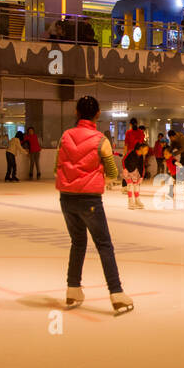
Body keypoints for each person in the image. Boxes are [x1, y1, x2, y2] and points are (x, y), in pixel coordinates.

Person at [54, 95, 132, 316]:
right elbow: (112, 172)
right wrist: (96, 180)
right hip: (89, 199)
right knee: (104, 245)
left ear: (76, 113)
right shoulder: (101, 140)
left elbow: (55, 168)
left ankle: (73, 289)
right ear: (98, 114)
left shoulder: (65, 136)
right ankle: (116, 294)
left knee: (77, 242)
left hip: (66, 198)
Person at [123, 142, 150, 209]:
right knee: (130, 186)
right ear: (141, 148)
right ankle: (130, 201)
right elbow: (124, 160)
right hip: (128, 172)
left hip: (135, 173)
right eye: (146, 149)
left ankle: (137, 200)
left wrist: (141, 176)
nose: (147, 151)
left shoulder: (141, 156)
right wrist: (125, 169)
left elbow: (142, 167)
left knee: (136, 186)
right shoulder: (131, 153)